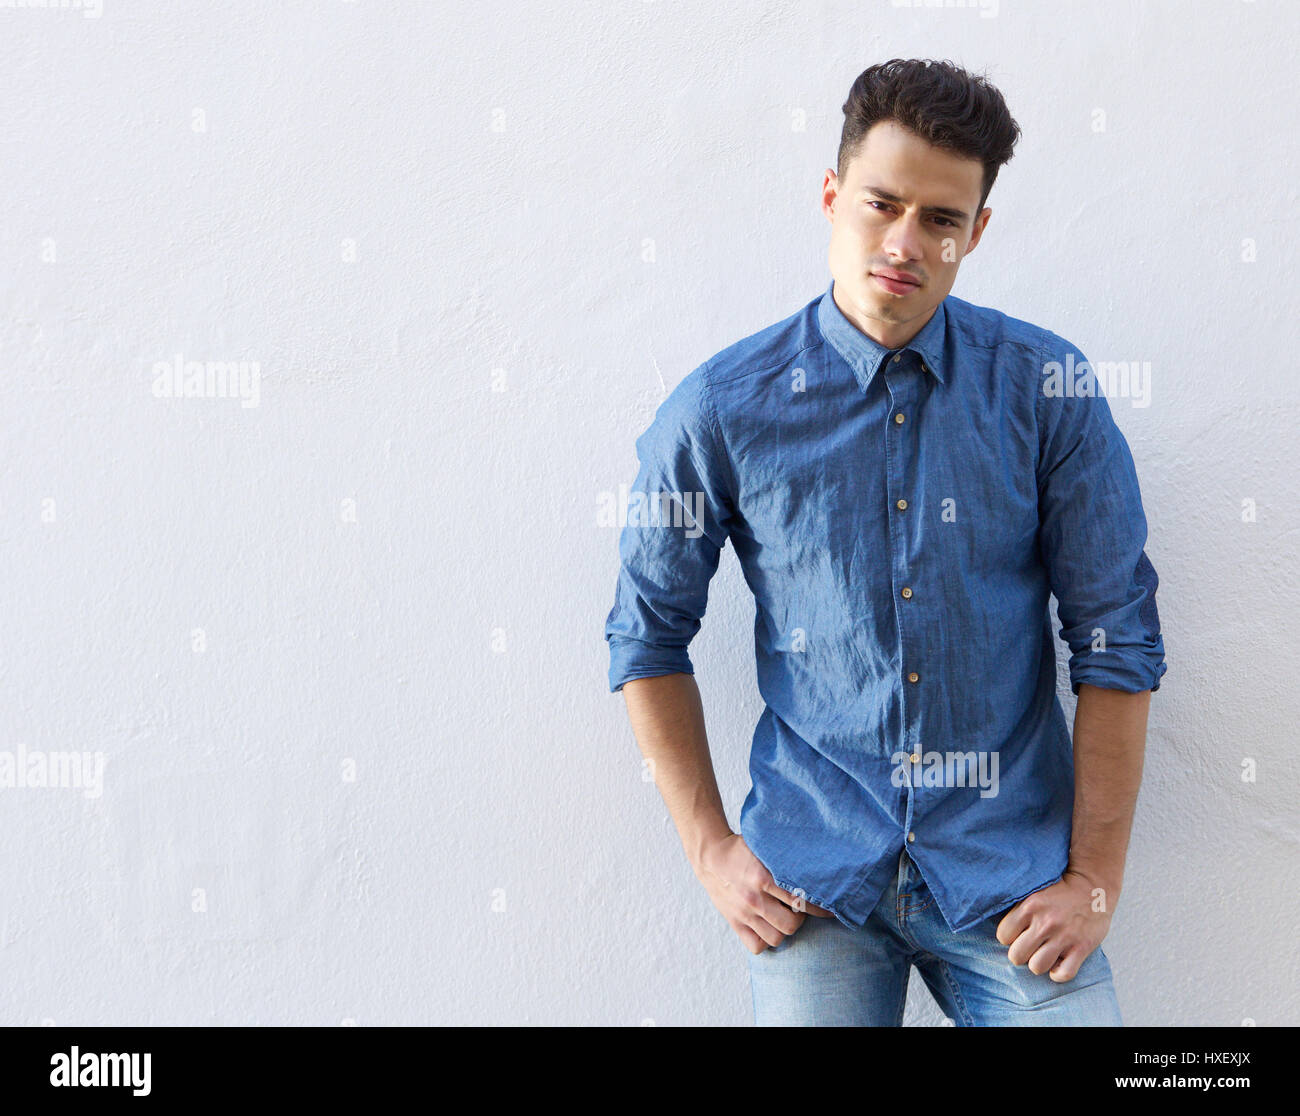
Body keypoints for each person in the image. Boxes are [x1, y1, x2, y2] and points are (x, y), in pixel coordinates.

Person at [603, 58, 1166, 1026]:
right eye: (880, 203)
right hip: (810, 885)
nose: (903, 242)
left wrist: (1094, 881)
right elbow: (645, 638)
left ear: (975, 232)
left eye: (941, 219)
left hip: (1008, 882)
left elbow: (1117, 641)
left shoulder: (1047, 391)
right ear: (831, 196)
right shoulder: (720, 409)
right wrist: (711, 853)